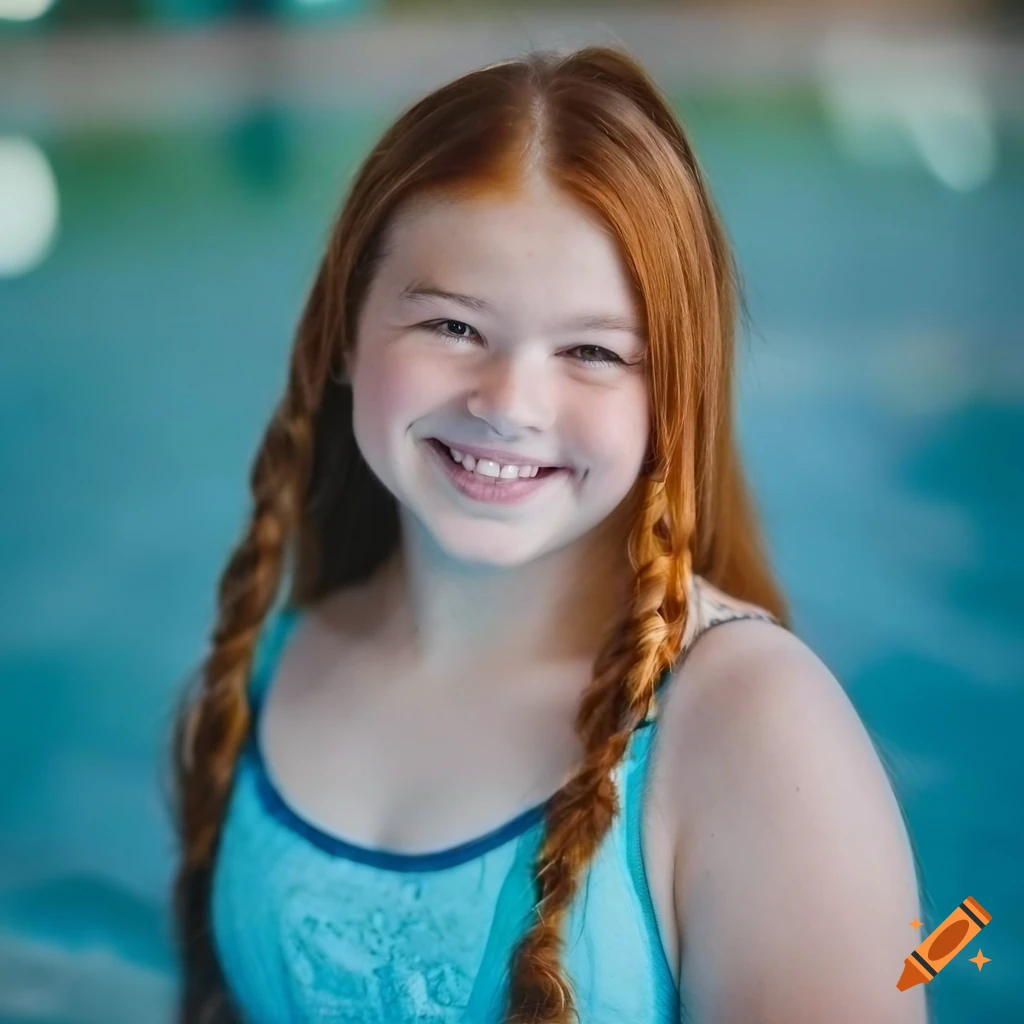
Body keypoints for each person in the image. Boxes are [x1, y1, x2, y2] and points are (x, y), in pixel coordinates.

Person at [169, 45, 928, 1024]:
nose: (510, 403)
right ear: (345, 336)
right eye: (451, 327)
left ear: (671, 400)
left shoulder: (753, 732)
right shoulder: (268, 668)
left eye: (591, 351)